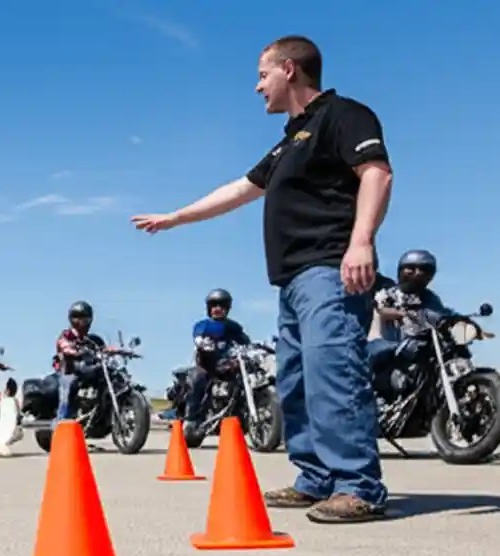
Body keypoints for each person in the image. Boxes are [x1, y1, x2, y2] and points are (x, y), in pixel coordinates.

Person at [131, 35, 394, 523]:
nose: (257, 87)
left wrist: (362, 241)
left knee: (333, 375)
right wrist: (175, 217)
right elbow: (240, 189)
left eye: (262, 75)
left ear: (289, 70)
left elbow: (376, 173)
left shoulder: (344, 115)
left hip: (328, 268)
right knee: (295, 381)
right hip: (292, 281)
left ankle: (358, 486)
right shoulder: (290, 141)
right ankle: (315, 478)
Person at [368, 250, 453, 387]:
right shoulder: (388, 293)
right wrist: (395, 312)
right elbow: (378, 308)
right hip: (390, 348)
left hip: (422, 349)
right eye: (411, 268)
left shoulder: (431, 299)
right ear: (401, 270)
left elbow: (442, 314)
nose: (417, 273)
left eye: (424, 269)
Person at [184, 289, 253, 433]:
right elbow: (198, 337)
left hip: (227, 365)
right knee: (197, 377)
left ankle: (242, 414)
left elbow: (245, 341)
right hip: (207, 365)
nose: (217, 309)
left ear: (227, 309)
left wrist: (253, 349)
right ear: (209, 308)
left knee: (246, 375)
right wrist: (202, 343)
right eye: (214, 306)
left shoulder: (233, 326)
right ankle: (191, 419)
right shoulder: (203, 325)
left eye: (221, 306)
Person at [53, 301, 118, 424]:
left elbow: (104, 349)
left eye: (85, 317)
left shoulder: (93, 339)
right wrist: (73, 351)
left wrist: (120, 351)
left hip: (87, 370)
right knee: (68, 387)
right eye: (77, 317)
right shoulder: (67, 335)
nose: (81, 321)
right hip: (69, 371)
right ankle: (61, 423)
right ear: (72, 319)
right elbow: (63, 345)